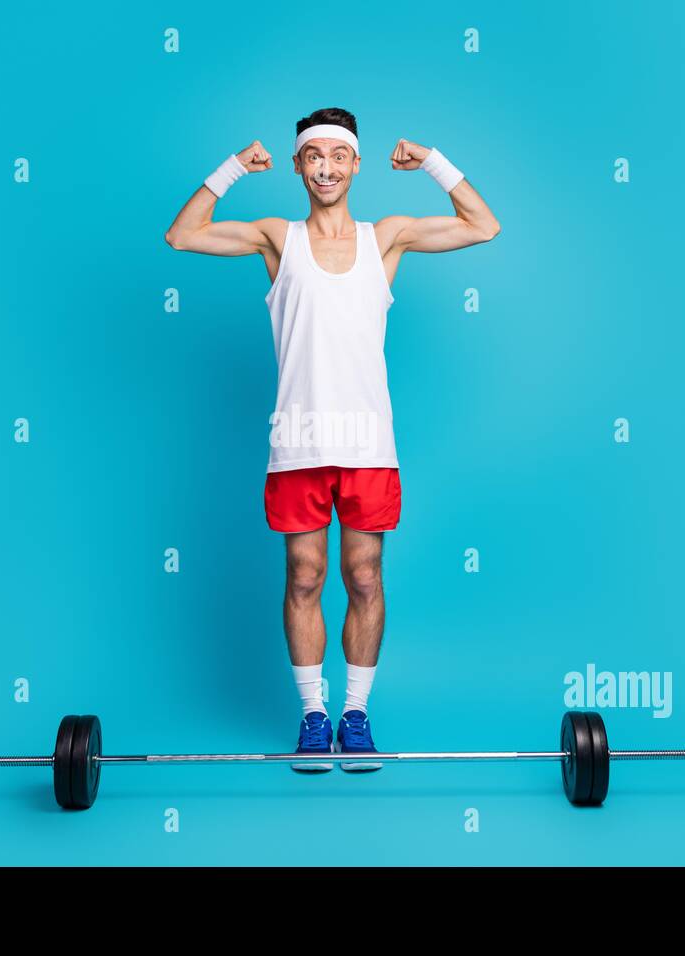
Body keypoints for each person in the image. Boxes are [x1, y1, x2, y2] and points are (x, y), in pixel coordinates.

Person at [163, 107, 501, 772]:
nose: (325, 167)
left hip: (368, 443)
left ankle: (356, 714)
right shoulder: (274, 238)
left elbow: (482, 224)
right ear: (297, 165)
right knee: (305, 576)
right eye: (313, 156)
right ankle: (314, 716)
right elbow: (182, 235)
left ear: (355, 165)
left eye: (337, 156)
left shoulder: (388, 238)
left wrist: (431, 160)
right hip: (299, 440)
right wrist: (234, 166)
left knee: (365, 577)